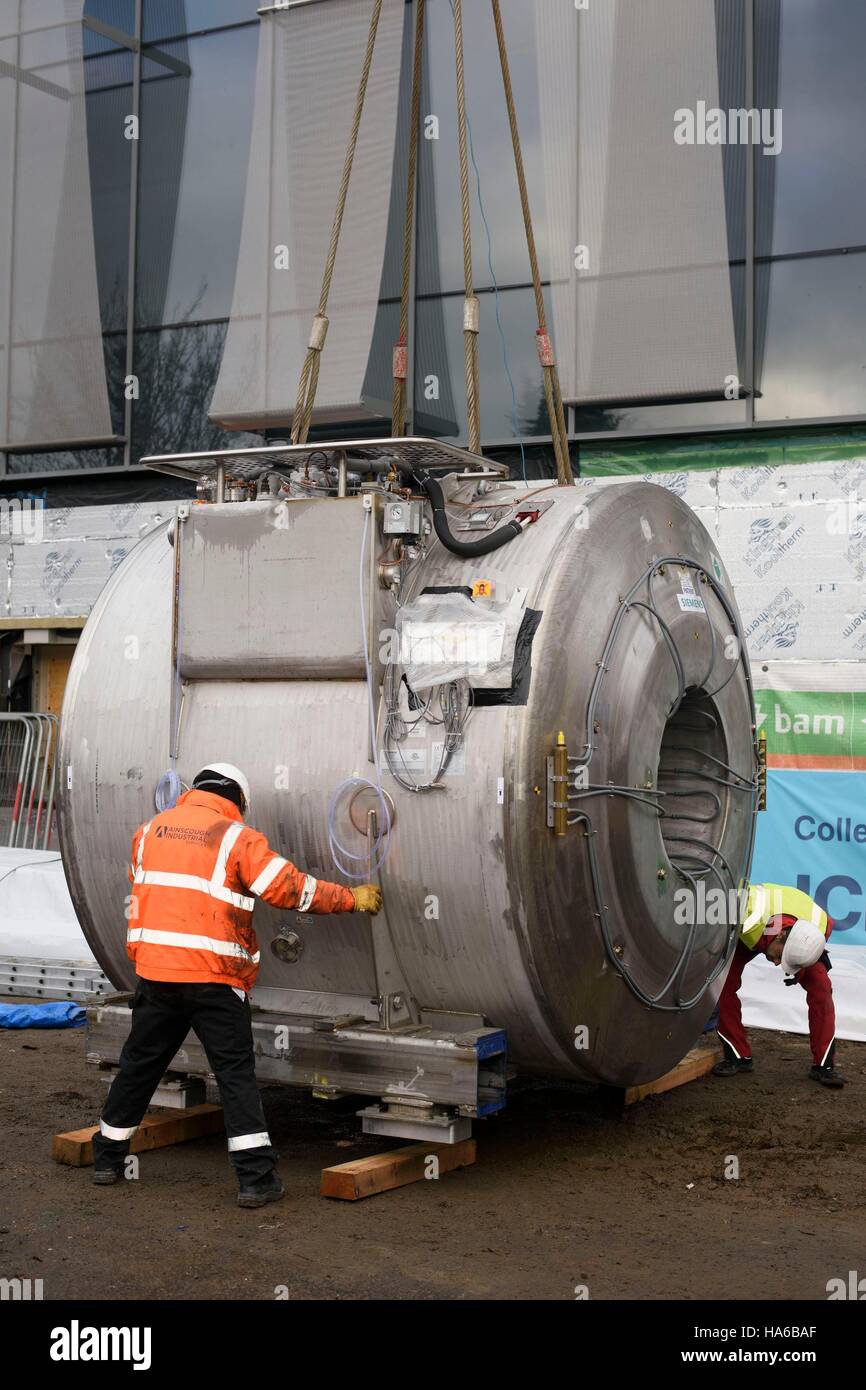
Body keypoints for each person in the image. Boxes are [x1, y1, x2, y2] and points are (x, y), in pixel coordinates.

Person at [90, 763, 383, 1207]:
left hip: (157, 974)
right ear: (239, 800)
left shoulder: (149, 831)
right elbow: (288, 889)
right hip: (215, 980)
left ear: (195, 791)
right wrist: (350, 898)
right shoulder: (235, 837)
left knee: (139, 1068)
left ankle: (107, 1160)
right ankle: (254, 1181)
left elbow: (148, 890)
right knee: (234, 1078)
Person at [713, 881, 844, 1087]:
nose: (776, 964)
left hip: (786, 932)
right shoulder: (743, 909)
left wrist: (801, 968)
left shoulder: (820, 925)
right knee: (721, 984)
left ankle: (824, 1066)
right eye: (779, 958)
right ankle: (737, 1057)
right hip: (745, 932)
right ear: (781, 936)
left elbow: (806, 951)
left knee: (822, 988)